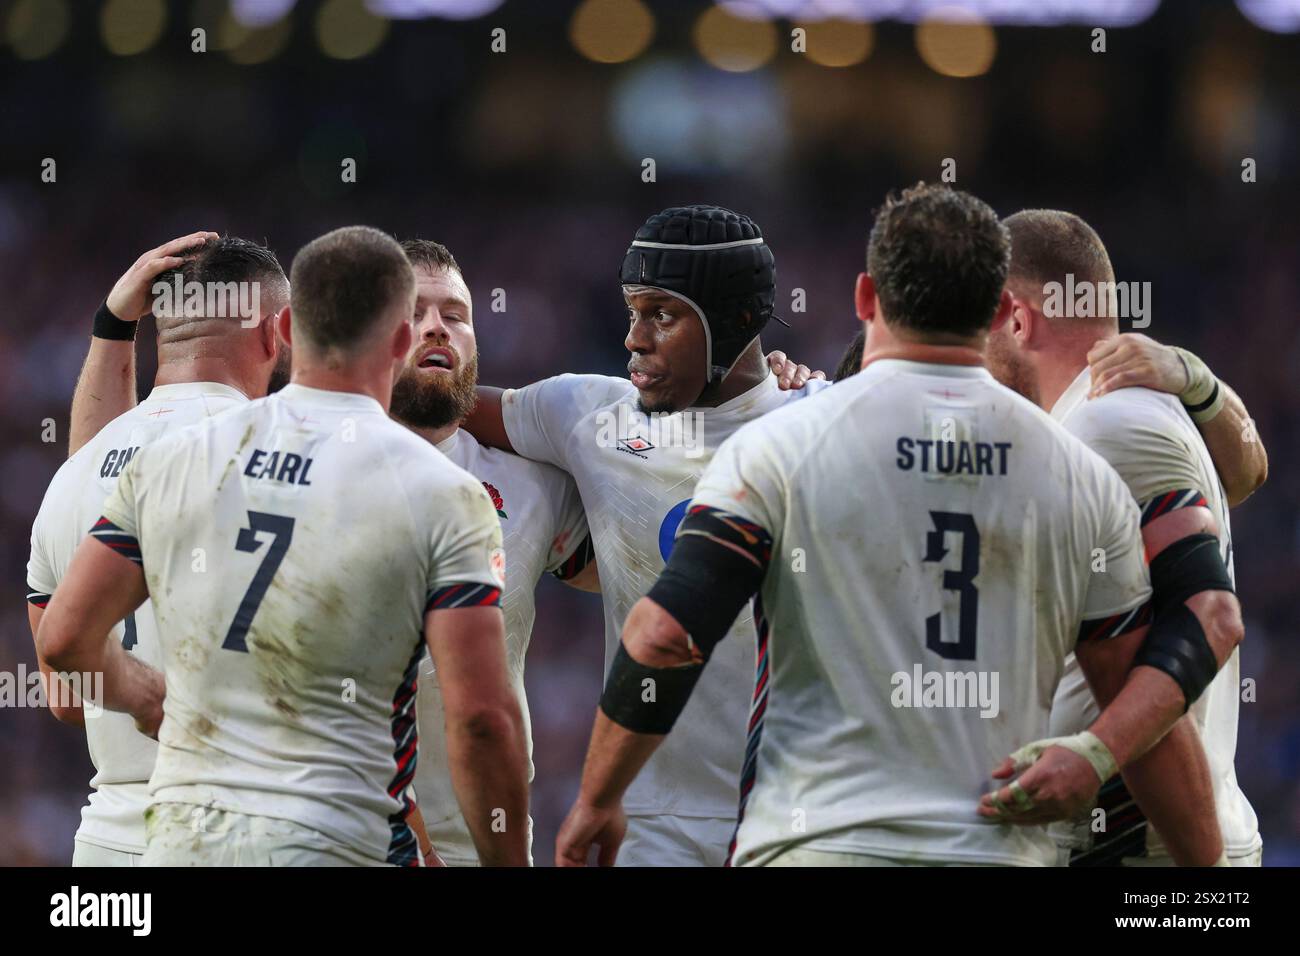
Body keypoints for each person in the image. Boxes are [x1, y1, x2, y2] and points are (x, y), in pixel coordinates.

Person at [555, 183, 1239, 867]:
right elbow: (1143, 701)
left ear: (864, 300)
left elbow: (665, 633)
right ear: (999, 309)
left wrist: (599, 795)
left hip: (818, 843)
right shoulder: (1077, 471)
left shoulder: (781, 446)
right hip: (993, 852)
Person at [37, 225, 529, 866]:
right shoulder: (427, 487)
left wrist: (150, 700)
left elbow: (64, 650)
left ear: (293, 330)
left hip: (154, 839)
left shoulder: (165, 462)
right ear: (402, 340)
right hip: (327, 838)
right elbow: (482, 719)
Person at [462, 204, 828, 865]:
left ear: (736, 320)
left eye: (662, 313)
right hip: (649, 828)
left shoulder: (825, 427)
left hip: (798, 822)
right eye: (633, 310)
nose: (633, 337)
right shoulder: (592, 415)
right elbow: (423, 401)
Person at [987, 208, 1261, 866]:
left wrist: (1093, 753)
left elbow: (1214, 616)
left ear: (1017, 318)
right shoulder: (1149, 404)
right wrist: (1199, 380)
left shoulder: (1106, 426)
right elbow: (1249, 475)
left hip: (1139, 845)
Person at [26, 232, 286, 865]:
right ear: (276, 332)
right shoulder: (293, 456)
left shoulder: (69, 483)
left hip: (109, 850)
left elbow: (66, 696)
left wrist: (110, 325)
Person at [392, 239, 597, 866]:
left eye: (455, 315)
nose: (437, 327)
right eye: (414, 312)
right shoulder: (312, 472)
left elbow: (641, 568)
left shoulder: (530, 487)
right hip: (358, 839)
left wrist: (754, 398)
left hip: (492, 847)